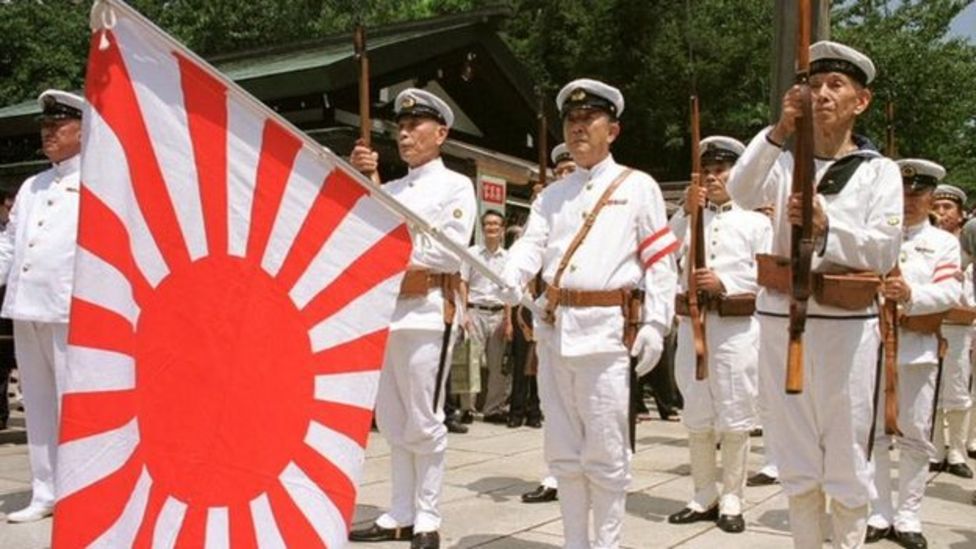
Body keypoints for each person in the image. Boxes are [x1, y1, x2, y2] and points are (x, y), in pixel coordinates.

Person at [726, 42, 903, 548]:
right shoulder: (783, 159)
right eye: (815, 85)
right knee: (797, 458)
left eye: (835, 86)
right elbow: (740, 193)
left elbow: (885, 248)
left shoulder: (877, 171)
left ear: (860, 101)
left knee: (846, 459)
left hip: (845, 333)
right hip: (783, 319)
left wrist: (829, 225)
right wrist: (780, 131)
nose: (822, 95)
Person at [501, 78, 678, 548]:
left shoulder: (637, 187)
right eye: (571, 121)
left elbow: (661, 261)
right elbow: (531, 246)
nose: (578, 128)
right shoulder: (552, 196)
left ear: (612, 130)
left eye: (588, 120)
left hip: (606, 335)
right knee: (562, 452)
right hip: (556, 332)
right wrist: (511, 273)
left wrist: (657, 324)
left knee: (606, 453)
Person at [348, 88, 477, 549]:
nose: (404, 133)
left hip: (426, 310)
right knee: (393, 417)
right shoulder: (392, 188)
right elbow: (363, 242)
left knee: (424, 417)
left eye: (414, 125)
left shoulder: (455, 186)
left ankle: (427, 515)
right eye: (400, 127)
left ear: (440, 133)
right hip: (387, 312)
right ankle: (399, 510)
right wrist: (367, 185)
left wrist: (392, 242)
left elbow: (446, 252)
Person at [667, 136, 772, 534]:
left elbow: (770, 280)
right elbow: (659, 257)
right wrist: (683, 212)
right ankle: (703, 493)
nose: (712, 178)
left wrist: (725, 281)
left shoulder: (757, 222)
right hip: (692, 325)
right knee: (696, 412)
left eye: (721, 170)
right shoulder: (689, 219)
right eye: (706, 171)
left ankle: (732, 497)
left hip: (736, 328)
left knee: (734, 413)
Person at [866, 159, 962, 549]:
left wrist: (911, 296)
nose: (908, 200)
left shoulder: (943, 243)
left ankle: (908, 515)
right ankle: (878, 511)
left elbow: (950, 293)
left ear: (930, 198)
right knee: (870, 435)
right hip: (869, 348)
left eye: (918, 193)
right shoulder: (874, 239)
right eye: (902, 193)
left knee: (916, 436)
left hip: (917, 349)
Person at [1, 90, 84, 523]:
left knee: (74, 402)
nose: (48, 133)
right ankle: (45, 489)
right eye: (45, 127)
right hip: (27, 306)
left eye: (58, 126)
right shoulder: (33, 185)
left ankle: (80, 488)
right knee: (37, 402)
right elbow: (10, 245)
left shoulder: (98, 180)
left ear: (82, 131)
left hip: (70, 309)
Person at [517, 143, 576, 505]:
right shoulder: (546, 208)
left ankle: (583, 471)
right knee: (551, 401)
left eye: (570, 168)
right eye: (560, 171)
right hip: (547, 312)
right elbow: (529, 256)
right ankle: (554, 473)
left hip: (588, 315)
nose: (565, 175)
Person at [928, 184, 974, 479]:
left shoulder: (965, 248)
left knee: (957, 388)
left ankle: (956, 449)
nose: (942, 213)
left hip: (960, 324)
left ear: (960, 215)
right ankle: (934, 448)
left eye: (948, 208)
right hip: (928, 324)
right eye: (938, 207)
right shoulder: (926, 242)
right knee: (929, 389)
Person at [460, 209, 512, 423]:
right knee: (467, 360)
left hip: (499, 314)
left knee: (498, 365)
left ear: (502, 230)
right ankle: (466, 409)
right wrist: (464, 314)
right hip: (474, 311)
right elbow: (462, 282)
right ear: (482, 229)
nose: (491, 227)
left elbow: (510, 290)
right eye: (488, 224)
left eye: (496, 224)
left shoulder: (509, 258)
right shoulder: (471, 253)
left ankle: (493, 409)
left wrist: (509, 320)